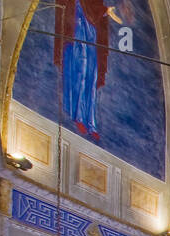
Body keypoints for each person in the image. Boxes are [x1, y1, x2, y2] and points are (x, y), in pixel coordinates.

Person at [54, 0, 125, 140]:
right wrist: (103, 10)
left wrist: (102, 10)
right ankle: (78, 116)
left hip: (92, 30)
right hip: (78, 25)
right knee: (80, 71)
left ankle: (90, 122)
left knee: (91, 76)